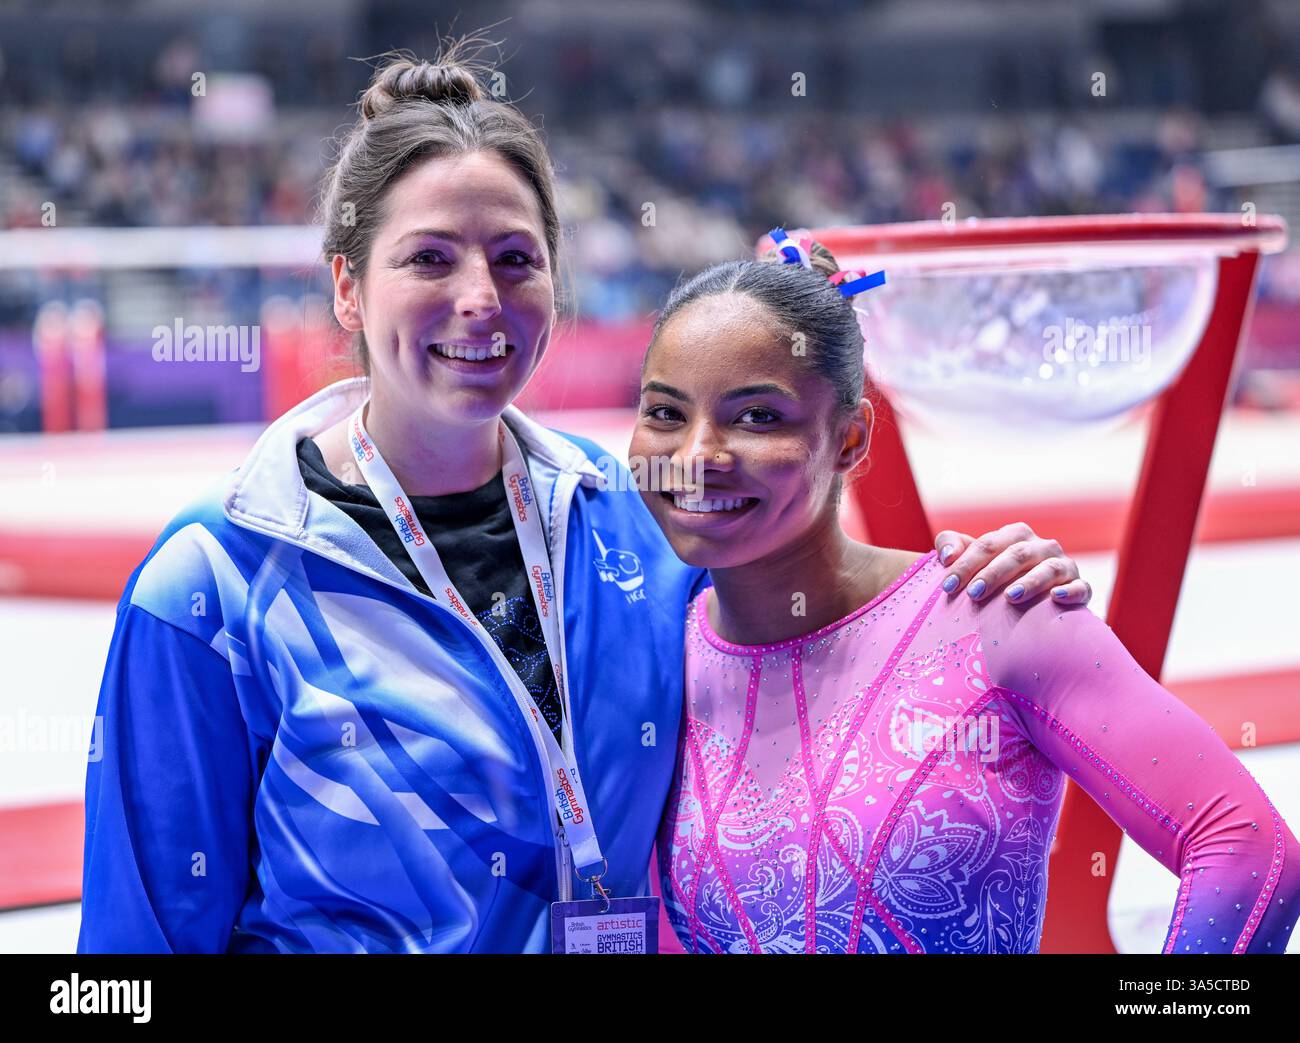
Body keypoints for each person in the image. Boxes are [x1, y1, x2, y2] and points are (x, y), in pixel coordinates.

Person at [77, 42, 1092, 954]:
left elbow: (812, 616)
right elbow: (136, 950)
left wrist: (965, 588)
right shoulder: (213, 582)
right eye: (429, 257)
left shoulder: (630, 520)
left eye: (515, 258)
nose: (480, 295)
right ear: (348, 286)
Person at [636, 233, 1300, 954]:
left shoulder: (993, 614)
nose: (697, 457)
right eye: (667, 413)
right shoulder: (655, 647)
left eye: (758, 416)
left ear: (851, 440)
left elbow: (1250, 852)